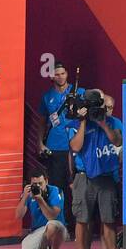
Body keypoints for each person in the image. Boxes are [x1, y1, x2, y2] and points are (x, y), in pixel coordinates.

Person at [68, 95, 122, 249]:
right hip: (84, 176)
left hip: (106, 176)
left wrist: (103, 123)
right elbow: (75, 147)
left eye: (107, 107)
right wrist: (83, 122)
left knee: (108, 218)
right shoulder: (77, 123)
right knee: (82, 219)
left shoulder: (113, 122)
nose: (104, 110)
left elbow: (117, 141)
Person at [38, 63, 82, 232]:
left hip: (76, 147)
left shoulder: (78, 92)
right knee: (58, 187)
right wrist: (39, 142)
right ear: (52, 77)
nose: (61, 77)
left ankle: (76, 226)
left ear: (67, 74)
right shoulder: (47, 97)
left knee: (75, 187)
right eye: (57, 74)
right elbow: (42, 122)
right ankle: (59, 225)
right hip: (55, 148)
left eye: (63, 73)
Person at [16, 171, 65, 249]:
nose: (37, 186)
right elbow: (18, 216)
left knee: (52, 225)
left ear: (46, 181)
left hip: (57, 228)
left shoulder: (55, 191)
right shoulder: (28, 194)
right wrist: (24, 198)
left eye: (40, 183)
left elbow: (52, 217)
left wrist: (40, 199)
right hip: (38, 230)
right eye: (35, 184)